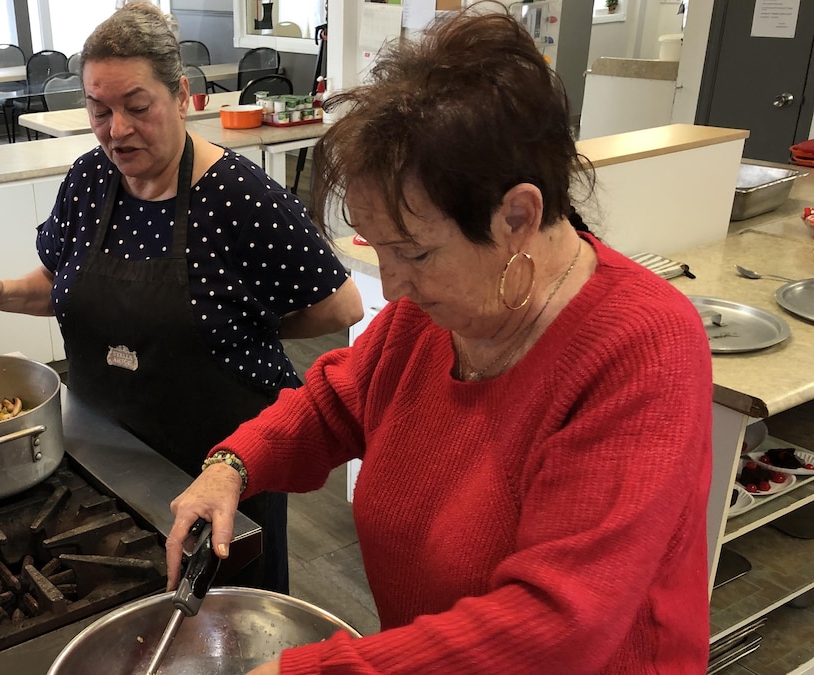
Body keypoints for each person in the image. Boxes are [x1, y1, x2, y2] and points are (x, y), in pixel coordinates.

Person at [164, 7, 713, 674]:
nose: (393, 286)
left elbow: (557, 626)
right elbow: (336, 402)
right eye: (378, 248)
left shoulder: (643, 349)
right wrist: (233, 465)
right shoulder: (434, 315)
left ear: (517, 216)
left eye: (415, 253)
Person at [0, 2, 363, 595]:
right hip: (105, 460)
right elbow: (62, 281)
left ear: (182, 96)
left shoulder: (240, 197)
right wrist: (4, 293)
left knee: (222, 625)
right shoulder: (89, 180)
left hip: (219, 470)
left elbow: (341, 306)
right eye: (99, 111)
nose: (117, 129)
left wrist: (244, 326)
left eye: (137, 107)